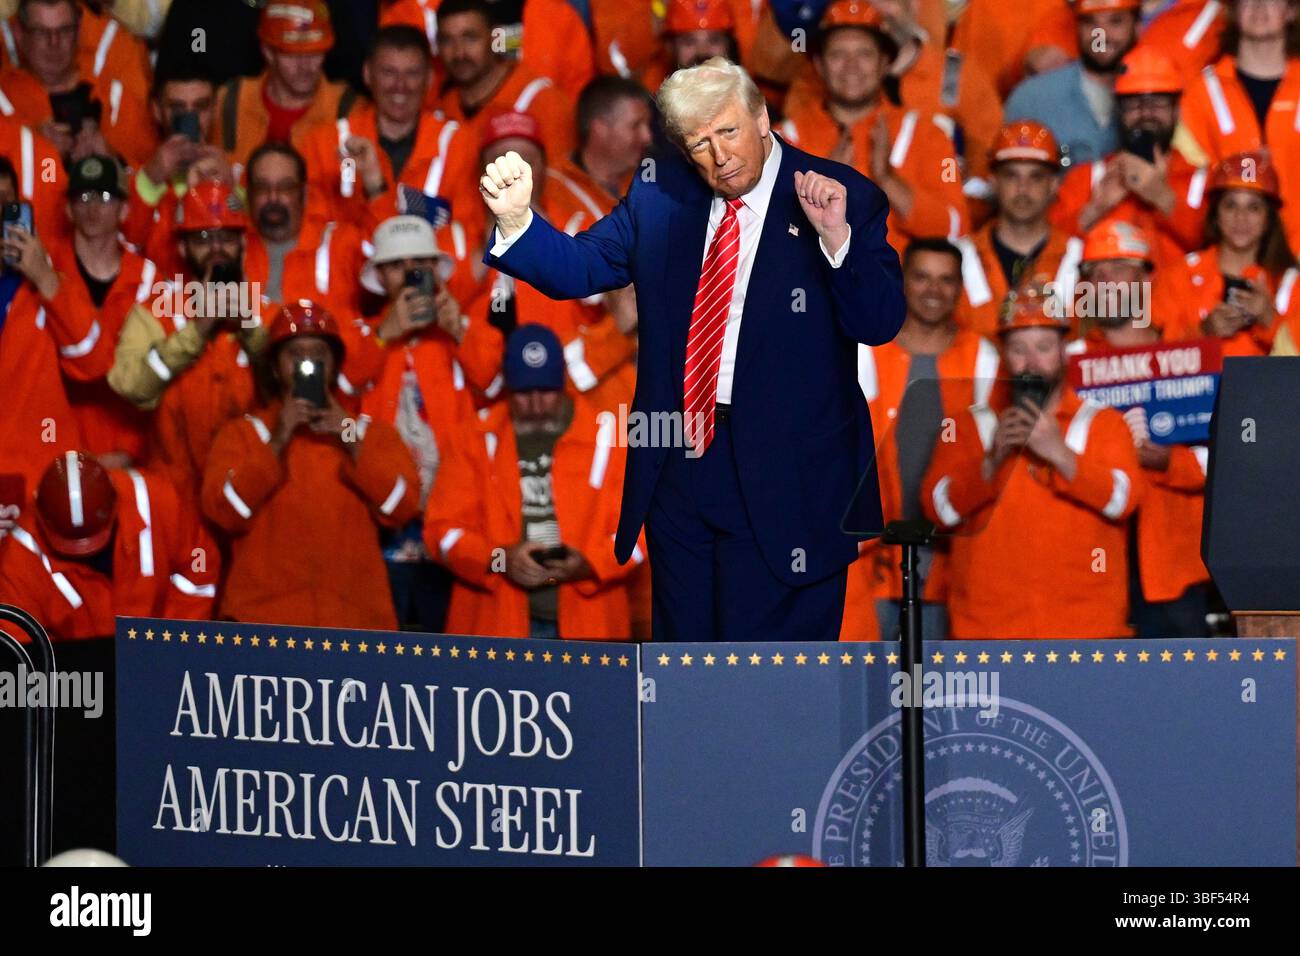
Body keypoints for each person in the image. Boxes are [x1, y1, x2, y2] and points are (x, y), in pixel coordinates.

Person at [481, 57, 906, 642]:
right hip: (680, 468)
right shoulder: (662, 195)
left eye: (728, 132)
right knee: (684, 675)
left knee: (769, 686)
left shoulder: (838, 194)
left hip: (790, 479)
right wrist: (517, 224)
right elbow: (581, 266)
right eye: (698, 143)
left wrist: (837, 239)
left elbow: (879, 321)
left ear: (761, 118)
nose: (719, 156)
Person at [920, 281, 1143, 639]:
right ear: (1004, 355)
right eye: (1018, 348)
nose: (1031, 361)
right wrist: (992, 462)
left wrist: (1060, 453)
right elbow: (938, 510)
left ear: (1064, 352)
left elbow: (1124, 499)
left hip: (1089, 633)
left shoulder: (1103, 422)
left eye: (1043, 347)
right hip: (986, 634)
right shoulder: (967, 425)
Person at [201, 301, 420, 629]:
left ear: (334, 365)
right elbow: (224, 513)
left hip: (354, 626)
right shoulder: (243, 434)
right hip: (263, 625)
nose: (307, 363)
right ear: (275, 367)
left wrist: (348, 436)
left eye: (318, 353)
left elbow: (403, 507)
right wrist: (278, 439)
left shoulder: (370, 433)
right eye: (294, 355)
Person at [424, 324, 640, 639]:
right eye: (524, 393)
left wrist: (590, 564)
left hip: (591, 625)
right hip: (497, 626)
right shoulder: (473, 437)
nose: (537, 404)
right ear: (507, 387)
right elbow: (441, 532)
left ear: (564, 382)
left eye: (547, 391)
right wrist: (500, 560)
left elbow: (642, 532)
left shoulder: (609, 437)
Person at [842, 237, 1000, 642]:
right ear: (902, 282)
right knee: (872, 690)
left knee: (940, 694)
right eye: (922, 278)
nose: (934, 290)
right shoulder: (865, 348)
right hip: (872, 559)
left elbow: (989, 460)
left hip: (953, 560)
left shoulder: (982, 356)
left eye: (946, 280)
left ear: (961, 288)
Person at [1065, 219, 1213, 638]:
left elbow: (1223, 460)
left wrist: (1167, 460)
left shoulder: (1188, 357)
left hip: (1171, 572)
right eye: (1096, 271)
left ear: (1148, 277)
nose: (1107, 280)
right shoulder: (1065, 363)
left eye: (1121, 267)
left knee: (1185, 698)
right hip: (1083, 568)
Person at [360, 214, 500, 631]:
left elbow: (494, 383)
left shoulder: (462, 333)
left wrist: (456, 326)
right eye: (397, 265)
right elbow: (343, 384)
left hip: (451, 529)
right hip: (379, 529)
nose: (408, 275)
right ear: (380, 276)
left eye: (419, 264)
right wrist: (384, 334)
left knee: (447, 658)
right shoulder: (363, 336)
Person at [108, 180, 266, 500]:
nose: (217, 248)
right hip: (174, 495)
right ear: (182, 248)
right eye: (204, 238)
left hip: (250, 486)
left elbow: (284, 390)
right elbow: (129, 385)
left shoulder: (265, 310)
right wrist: (197, 331)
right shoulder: (155, 312)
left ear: (243, 245)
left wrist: (250, 327)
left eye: (227, 237)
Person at [779, 0, 969, 250]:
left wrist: (887, 180)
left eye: (864, 53)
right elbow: (770, 239)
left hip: (899, 285)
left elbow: (955, 227)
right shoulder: (783, 139)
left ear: (885, 63)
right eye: (838, 54)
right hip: (811, 285)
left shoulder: (929, 134)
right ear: (819, 65)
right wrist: (825, 181)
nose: (851, 66)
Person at [299, 24, 483, 252]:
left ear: (429, 79)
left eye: (412, 74)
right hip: (345, 283)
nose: (400, 86)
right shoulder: (324, 143)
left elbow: (467, 238)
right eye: (388, 72)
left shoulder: (461, 144)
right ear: (367, 74)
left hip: (431, 283)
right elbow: (311, 234)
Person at [0, 450, 217, 640]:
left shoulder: (160, 502)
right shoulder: (18, 562)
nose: (86, 554)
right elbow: (23, 649)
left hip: (163, 652)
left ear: (117, 505)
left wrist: (173, 639)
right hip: (82, 676)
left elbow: (199, 569)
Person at [0, 156, 113, 491]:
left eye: (5, 205)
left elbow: (93, 362)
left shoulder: (51, 282)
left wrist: (44, 278)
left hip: (41, 484)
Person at [1051, 44, 1210, 270]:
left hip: (1177, 304)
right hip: (1100, 304)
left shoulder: (1203, 183)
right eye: (1134, 104)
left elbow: (1225, 255)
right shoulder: (1086, 178)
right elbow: (1046, 255)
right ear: (1118, 110)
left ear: (1177, 109)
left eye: (1158, 102)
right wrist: (1095, 209)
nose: (1146, 113)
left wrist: (1164, 199)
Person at [54, 154, 160, 468]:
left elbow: (155, 377)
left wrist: (130, 452)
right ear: (68, 209)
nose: (93, 207)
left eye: (104, 196)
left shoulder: (150, 281)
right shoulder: (46, 272)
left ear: (125, 209)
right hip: (55, 448)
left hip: (131, 451)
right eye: (83, 196)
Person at [1179, 0, 1300, 250]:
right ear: (1233, 10)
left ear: (1291, 10)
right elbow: (1188, 183)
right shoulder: (1198, 95)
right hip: (1228, 257)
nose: (1259, 7)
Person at [1157, 150, 1297, 355]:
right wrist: (1203, 332)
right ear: (1215, 215)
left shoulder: (1291, 285)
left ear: (1269, 219)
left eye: (1254, 208)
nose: (1241, 217)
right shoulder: (1178, 276)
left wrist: (1269, 320)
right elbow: (1151, 359)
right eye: (1231, 206)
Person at [955, 120, 1082, 337]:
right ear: (993, 181)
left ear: (1054, 185)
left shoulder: (1082, 259)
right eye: (1011, 176)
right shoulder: (957, 259)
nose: (1023, 189)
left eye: (1036, 177)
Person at [0, 0, 155, 165]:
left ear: (79, 28)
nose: (54, 43)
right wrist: (35, 151)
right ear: (18, 33)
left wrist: (112, 163)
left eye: (64, 30)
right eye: (41, 32)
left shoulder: (115, 98)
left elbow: (149, 181)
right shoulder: (5, 101)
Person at [433, 0, 577, 163]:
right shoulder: (440, 109)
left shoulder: (544, 103)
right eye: (447, 40)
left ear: (495, 39)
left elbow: (561, 183)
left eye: (470, 38)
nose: (459, 53)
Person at [212, 1, 351, 169]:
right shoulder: (228, 102)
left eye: (314, 53)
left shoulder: (350, 110)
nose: (305, 66)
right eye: (292, 55)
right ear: (268, 52)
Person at [1003, 0, 1141, 166]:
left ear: (1137, 27)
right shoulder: (1031, 99)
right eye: (1090, 23)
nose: (1101, 36)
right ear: (1077, 27)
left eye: (1116, 21)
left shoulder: (1156, 99)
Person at [121, 67, 231, 276]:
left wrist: (228, 192)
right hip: (158, 302)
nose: (191, 119)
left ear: (216, 109)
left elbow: (255, 254)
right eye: (178, 109)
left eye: (201, 107)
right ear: (156, 110)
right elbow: (125, 247)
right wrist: (150, 180)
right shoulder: (134, 180)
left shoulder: (236, 175)